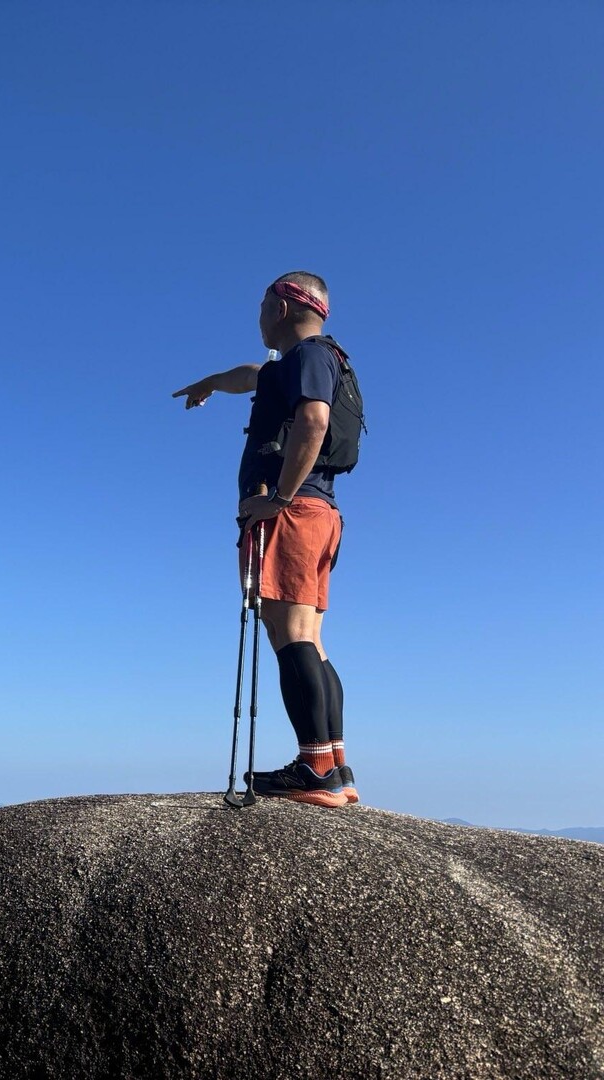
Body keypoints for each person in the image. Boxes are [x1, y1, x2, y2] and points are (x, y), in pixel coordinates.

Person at [173, 272, 355, 808]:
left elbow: (314, 421)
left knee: (291, 634)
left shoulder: (310, 357)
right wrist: (210, 381)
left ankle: (315, 767)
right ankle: (334, 766)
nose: (256, 315)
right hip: (319, 513)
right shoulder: (311, 361)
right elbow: (254, 375)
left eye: (260, 305)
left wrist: (277, 498)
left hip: (293, 512)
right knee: (311, 639)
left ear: (281, 306)